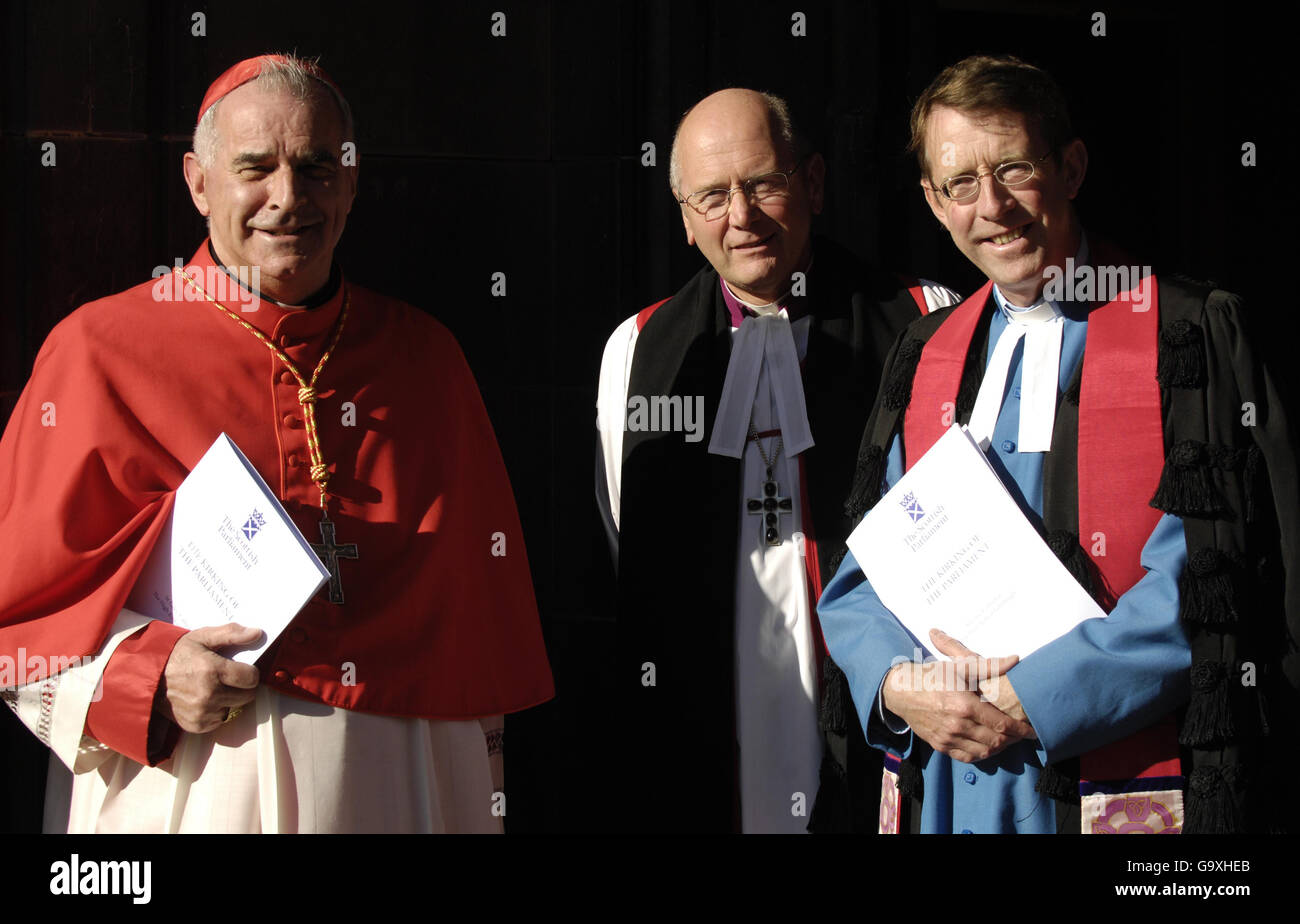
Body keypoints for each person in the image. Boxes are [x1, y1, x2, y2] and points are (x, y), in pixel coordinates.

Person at [0, 53, 554, 833]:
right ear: (198, 182)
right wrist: (145, 678)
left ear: (354, 182)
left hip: (401, 785)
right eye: (255, 168)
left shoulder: (426, 358)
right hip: (192, 784)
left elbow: (480, 640)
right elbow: (18, 624)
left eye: (318, 168)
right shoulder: (98, 351)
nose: (288, 199)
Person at [818, 55, 1298, 833]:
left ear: (1071, 168)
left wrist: (1031, 701)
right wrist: (898, 686)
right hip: (947, 776)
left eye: (1014, 167)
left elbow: (1214, 579)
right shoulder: (925, 352)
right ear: (934, 205)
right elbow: (867, 570)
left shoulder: (1188, 336)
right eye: (961, 185)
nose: (994, 206)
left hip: (1102, 762)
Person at [595, 88, 958, 832]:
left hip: (878, 705)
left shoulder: (924, 320)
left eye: (764, 183)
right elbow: (623, 543)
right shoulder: (638, 351)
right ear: (685, 217)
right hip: (710, 706)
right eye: (713, 196)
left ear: (814, 183)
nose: (742, 216)